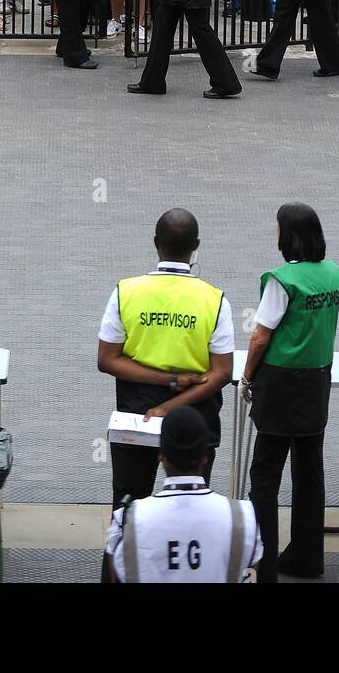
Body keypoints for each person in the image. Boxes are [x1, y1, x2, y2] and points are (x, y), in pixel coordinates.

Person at [98, 209, 234, 513]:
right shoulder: (215, 300)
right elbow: (223, 372)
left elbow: (107, 360)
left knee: (127, 513)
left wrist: (165, 388)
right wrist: (172, 401)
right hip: (195, 423)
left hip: (136, 420)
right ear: (196, 245)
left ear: (155, 242)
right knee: (192, 513)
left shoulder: (125, 292)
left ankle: (119, 561)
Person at [242, 202, 339, 583]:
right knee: (309, 472)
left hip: (280, 386)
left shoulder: (281, 280)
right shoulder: (334, 273)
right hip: (317, 383)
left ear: (288, 235)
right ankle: (307, 557)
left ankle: (263, 566)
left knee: (265, 478)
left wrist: (246, 376)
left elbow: (260, 335)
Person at [105, 407, 262, 583]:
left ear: (161, 456)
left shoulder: (125, 521)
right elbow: (251, 575)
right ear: (204, 456)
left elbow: (116, 577)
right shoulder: (245, 518)